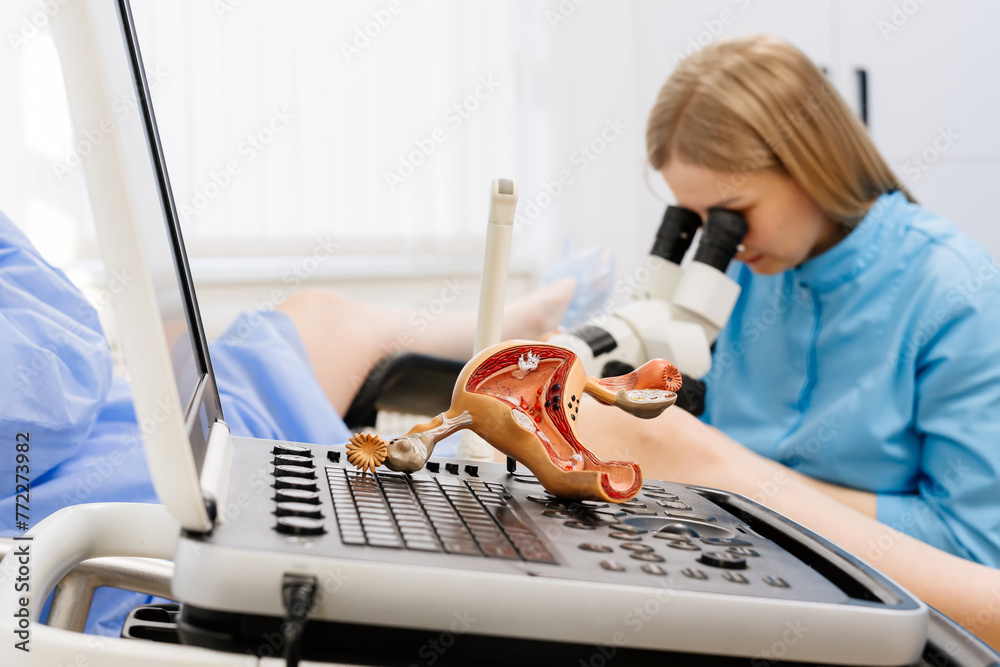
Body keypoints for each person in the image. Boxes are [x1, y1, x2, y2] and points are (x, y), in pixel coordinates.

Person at [580, 33, 1000, 648]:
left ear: (810, 166)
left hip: (885, 630)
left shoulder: (954, 290)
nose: (727, 243)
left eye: (733, 213)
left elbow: (973, 551)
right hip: (738, 587)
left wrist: (733, 475)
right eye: (697, 222)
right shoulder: (743, 277)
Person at [0, 208, 576, 635]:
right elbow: (51, 397)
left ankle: (508, 330)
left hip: (136, 426)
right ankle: (539, 361)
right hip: (66, 502)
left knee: (315, 318)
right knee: (554, 480)